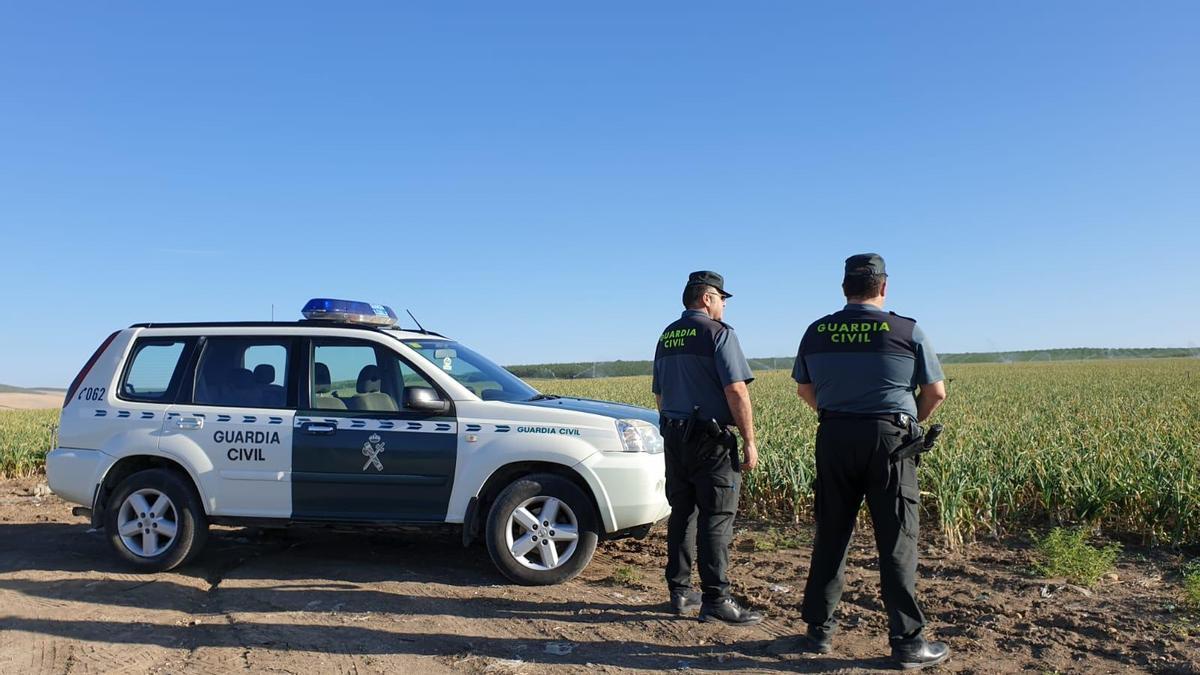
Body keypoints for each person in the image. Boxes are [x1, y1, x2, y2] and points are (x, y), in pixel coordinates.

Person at [791, 253, 950, 669]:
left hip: (834, 435)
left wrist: (840, 416)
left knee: (832, 534)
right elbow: (935, 393)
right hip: (890, 441)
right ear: (883, 287)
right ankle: (908, 643)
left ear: (845, 289)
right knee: (897, 541)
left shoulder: (817, 331)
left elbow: (805, 390)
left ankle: (818, 632)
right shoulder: (906, 330)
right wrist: (909, 422)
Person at [652, 270, 763, 625]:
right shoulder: (718, 334)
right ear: (706, 298)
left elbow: (659, 393)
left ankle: (680, 592)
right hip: (711, 442)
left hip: (675, 436)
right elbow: (736, 390)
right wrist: (749, 440)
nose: (724, 305)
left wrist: (675, 427)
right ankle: (717, 599)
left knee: (683, 514)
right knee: (716, 517)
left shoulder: (667, 335)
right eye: (722, 299)